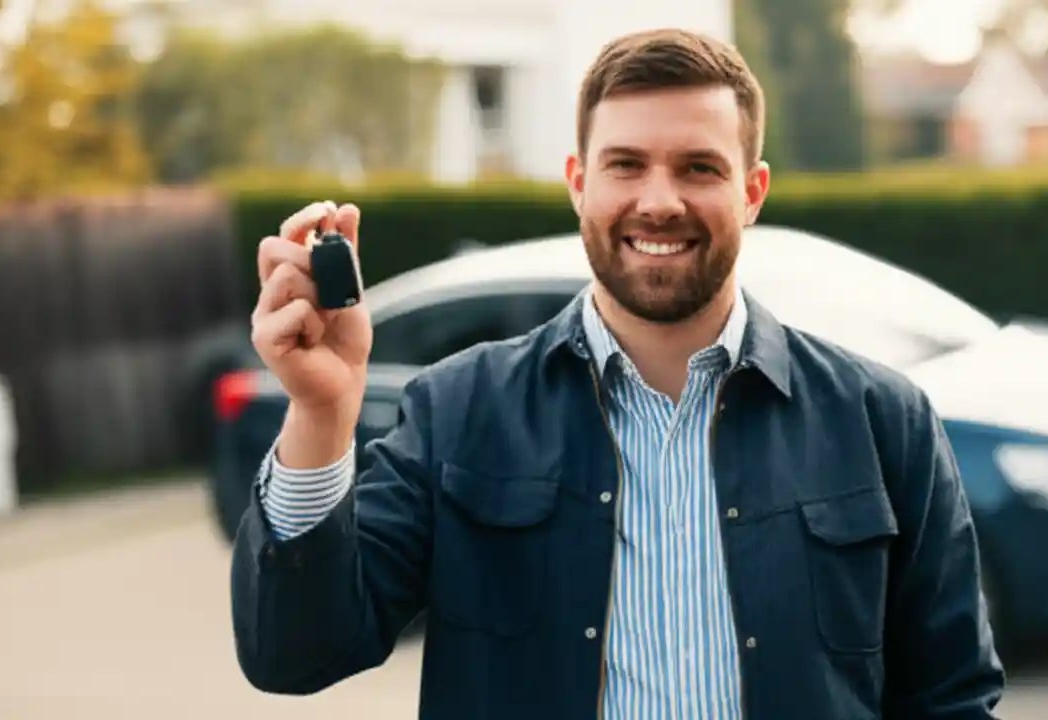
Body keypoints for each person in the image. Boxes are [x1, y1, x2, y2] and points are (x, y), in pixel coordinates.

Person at [232, 27, 1005, 719]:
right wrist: (321, 413)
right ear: (579, 184)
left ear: (752, 191)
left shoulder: (884, 422)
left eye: (699, 167)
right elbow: (295, 657)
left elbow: (950, 699)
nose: (658, 201)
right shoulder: (457, 413)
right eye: (625, 165)